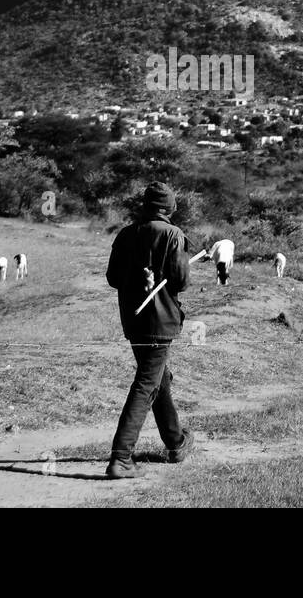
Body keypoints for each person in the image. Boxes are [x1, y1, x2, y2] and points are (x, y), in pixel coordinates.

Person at [104, 181, 196, 478]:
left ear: (144, 205)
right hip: (160, 322)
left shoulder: (126, 234)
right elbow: (180, 282)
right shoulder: (173, 235)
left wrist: (137, 278)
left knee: (159, 379)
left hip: (134, 320)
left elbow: (113, 278)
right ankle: (121, 457)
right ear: (171, 207)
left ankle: (175, 441)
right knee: (146, 383)